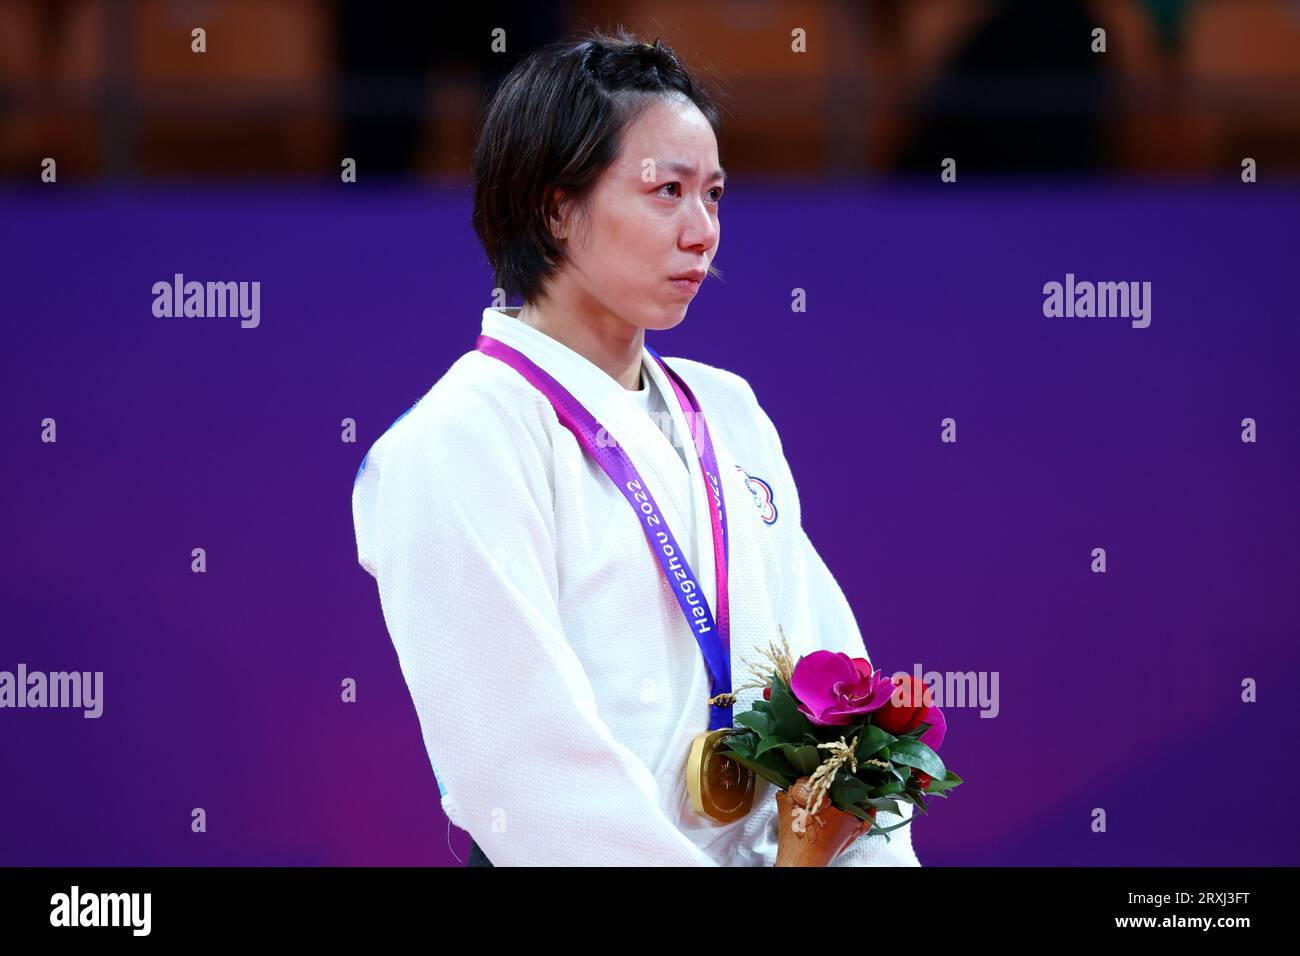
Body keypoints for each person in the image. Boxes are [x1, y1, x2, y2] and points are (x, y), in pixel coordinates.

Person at [351, 28, 921, 867]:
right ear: (555, 206)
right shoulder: (457, 440)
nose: (704, 232)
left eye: (716, 195)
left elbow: (841, 694)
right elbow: (522, 777)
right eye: (667, 191)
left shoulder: (731, 412)